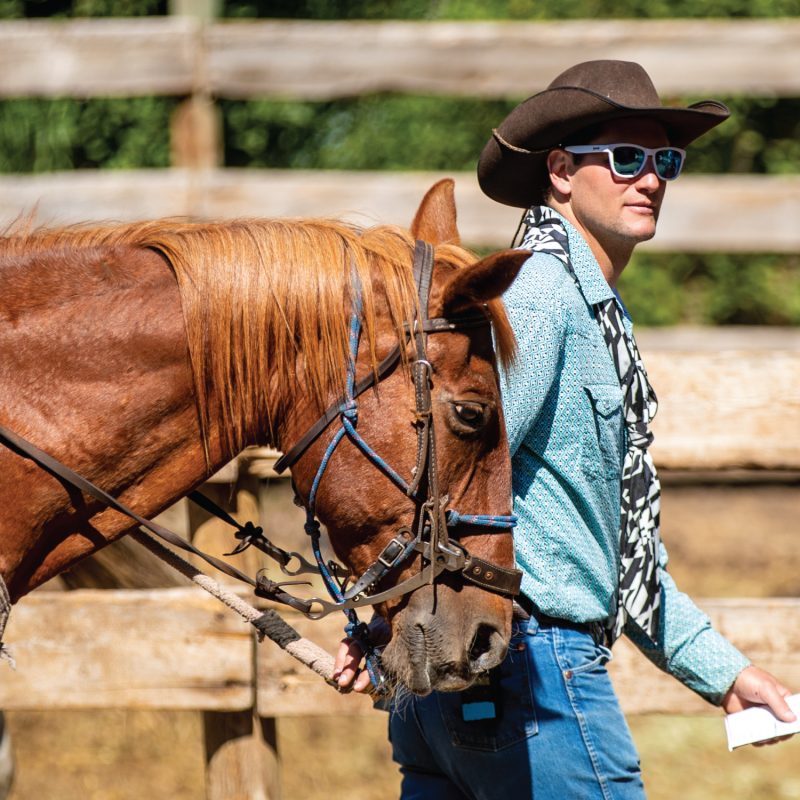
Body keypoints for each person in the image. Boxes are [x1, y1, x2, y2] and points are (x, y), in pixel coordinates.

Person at [334, 60, 796, 798]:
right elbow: (441, 482)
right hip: (529, 673)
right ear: (560, 171)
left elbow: (612, 551)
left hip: (467, 683)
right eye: (625, 159)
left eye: (664, 161)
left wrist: (726, 674)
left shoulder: (587, 309)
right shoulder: (547, 297)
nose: (650, 180)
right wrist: (377, 621)